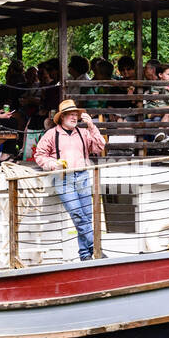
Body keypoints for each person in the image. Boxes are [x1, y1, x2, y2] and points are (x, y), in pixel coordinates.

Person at [32, 99, 106, 261]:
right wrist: (53, 164)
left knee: (86, 216)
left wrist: (92, 126)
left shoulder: (83, 132)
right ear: (62, 117)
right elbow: (39, 155)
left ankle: (85, 255)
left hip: (82, 177)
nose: (74, 118)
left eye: (76, 115)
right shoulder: (52, 134)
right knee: (77, 214)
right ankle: (96, 247)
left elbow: (100, 146)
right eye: (71, 115)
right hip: (63, 178)